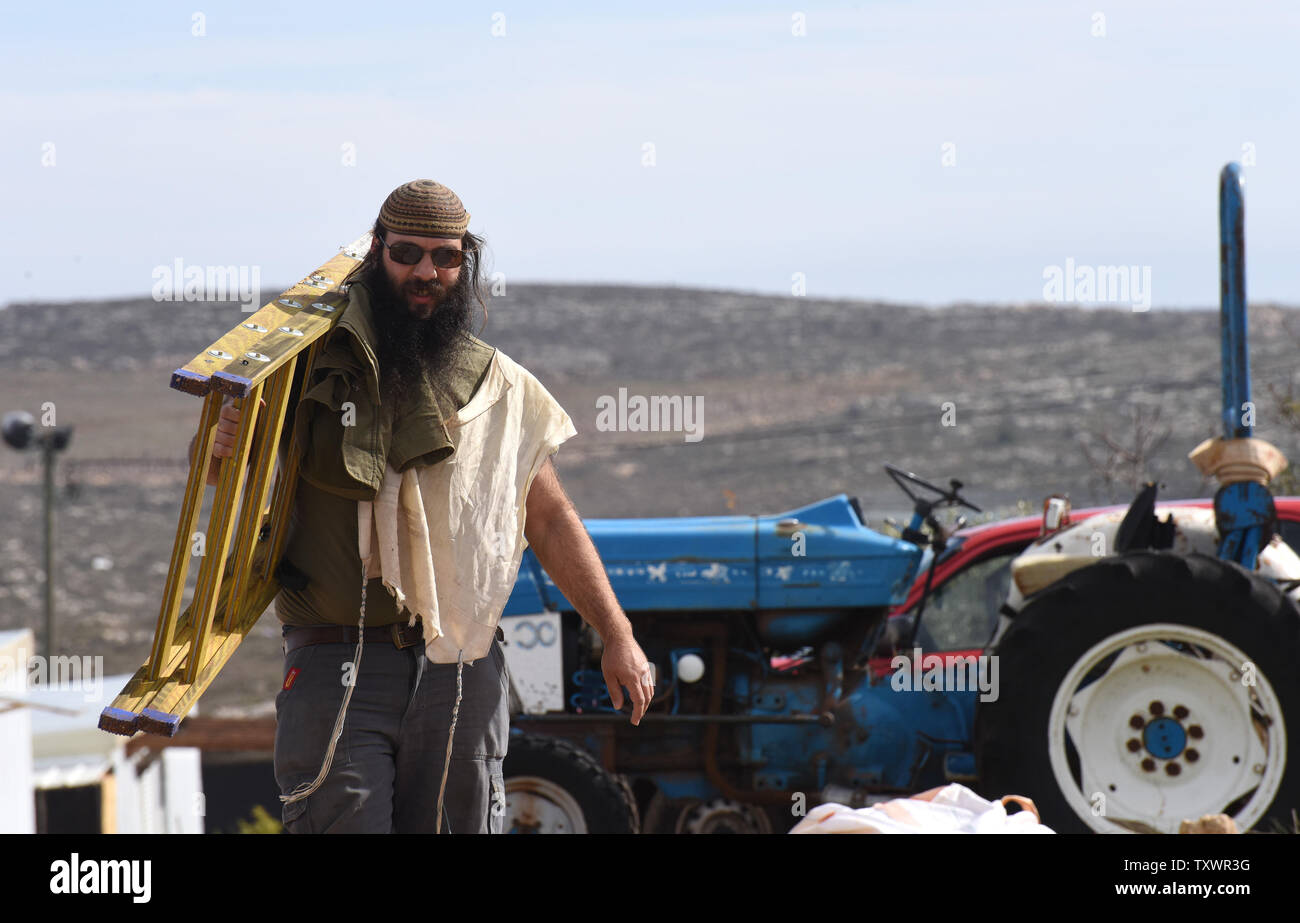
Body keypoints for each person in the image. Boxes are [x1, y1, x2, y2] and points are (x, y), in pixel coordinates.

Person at [191, 179, 652, 833]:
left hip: (460, 672)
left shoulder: (497, 385)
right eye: (408, 253)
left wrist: (618, 635)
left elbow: (548, 517)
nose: (427, 272)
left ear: (466, 263)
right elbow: (218, 468)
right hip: (338, 662)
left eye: (446, 256)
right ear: (377, 251)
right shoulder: (302, 366)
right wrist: (216, 444)